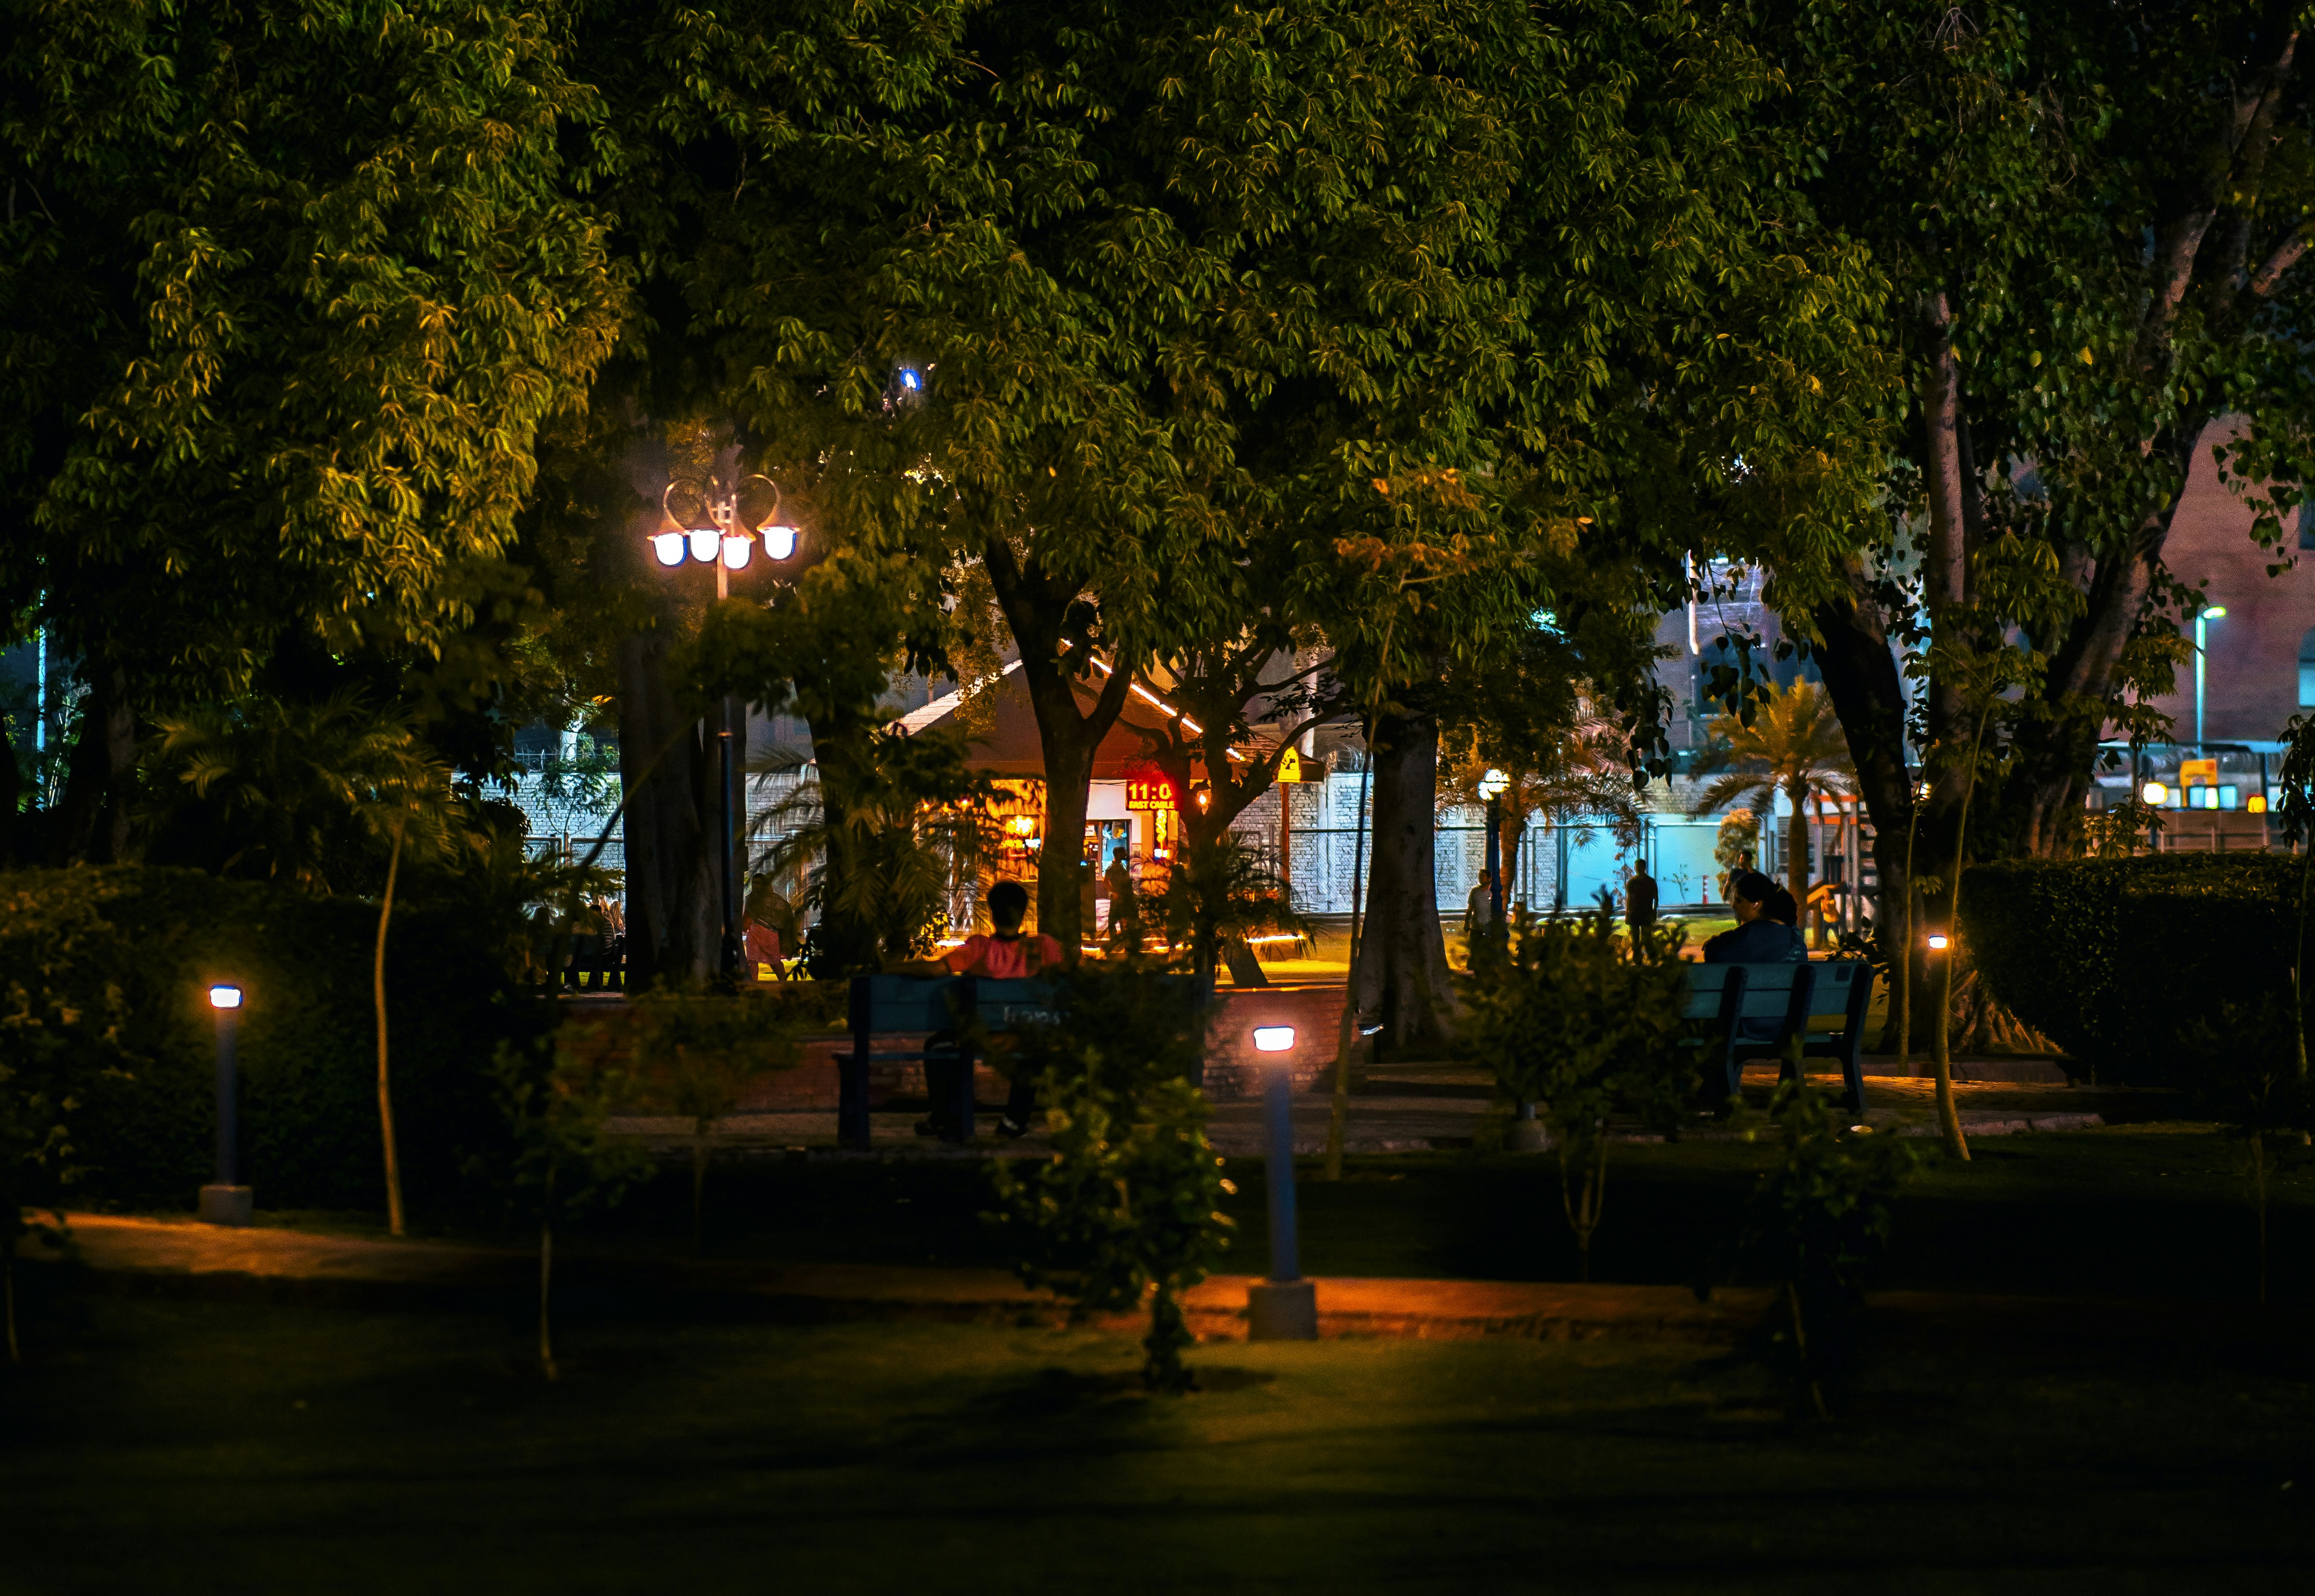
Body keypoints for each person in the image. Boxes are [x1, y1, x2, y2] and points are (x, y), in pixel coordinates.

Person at [894, 880, 1064, 1139]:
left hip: (979, 1039)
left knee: (938, 1047)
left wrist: (891, 967)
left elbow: (935, 970)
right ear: (1023, 912)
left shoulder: (979, 948)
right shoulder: (1045, 948)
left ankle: (946, 1118)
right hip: (1024, 1037)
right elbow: (1073, 977)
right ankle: (1014, 1122)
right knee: (1035, 1049)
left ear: (993, 914)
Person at [1702, 871, 1807, 965]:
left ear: (1757, 904)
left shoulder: (1750, 935)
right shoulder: (1794, 936)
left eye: (1739, 901)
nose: (1734, 906)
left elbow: (1714, 955)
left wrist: (1714, 942)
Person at [1624, 861, 1658, 935]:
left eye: (1640, 867)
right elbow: (1629, 898)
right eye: (1637, 867)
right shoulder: (1632, 882)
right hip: (1634, 914)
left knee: (1646, 938)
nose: (1638, 869)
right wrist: (1627, 913)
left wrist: (1654, 912)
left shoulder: (1651, 882)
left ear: (1644, 868)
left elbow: (1656, 898)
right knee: (1635, 938)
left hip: (1646, 913)